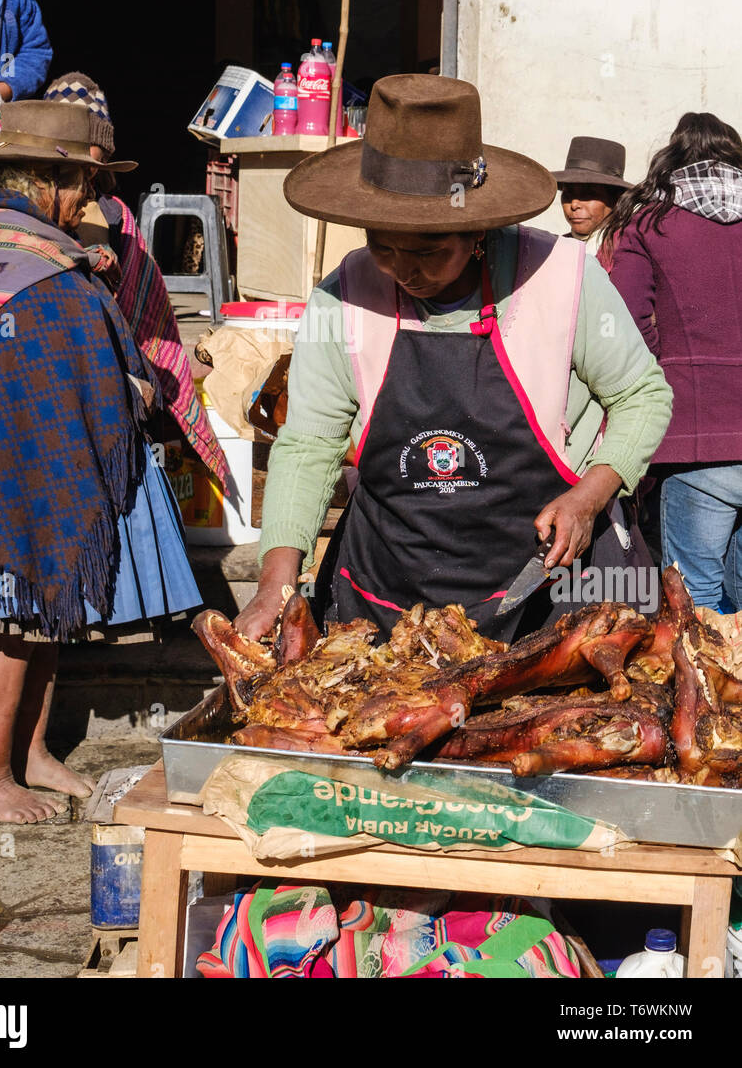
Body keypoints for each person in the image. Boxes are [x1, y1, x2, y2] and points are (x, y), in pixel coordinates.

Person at [235, 75, 672, 644]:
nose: (401, 269)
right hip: (387, 596)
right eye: (382, 244)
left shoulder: (562, 277)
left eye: (428, 250)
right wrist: (276, 585)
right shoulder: (340, 296)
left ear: (478, 232)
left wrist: (590, 496)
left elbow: (643, 395)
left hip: (549, 592)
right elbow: (309, 444)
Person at [0, 101, 202, 822]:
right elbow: (47, 361)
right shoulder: (27, 263)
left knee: (51, 614)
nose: (90, 199)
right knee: (16, 621)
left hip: (28, 445)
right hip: (10, 459)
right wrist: (128, 386)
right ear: (48, 179)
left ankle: (30, 755)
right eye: (84, 183)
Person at [43, 70, 228, 487]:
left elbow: (146, 317)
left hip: (109, 381)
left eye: (87, 148)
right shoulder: (23, 217)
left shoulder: (116, 218)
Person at [603, 112, 742, 613]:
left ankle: (704, 692)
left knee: (694, 598)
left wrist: (665, 375)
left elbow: (626, 322)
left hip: (696, 435)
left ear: (675, 157)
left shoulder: (649, 222)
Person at [553, 136, 630, 256]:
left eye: (587, 195)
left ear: (616, 199)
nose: (574, 204)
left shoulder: (628, 250)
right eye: (568, 194)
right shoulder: (555, 249)